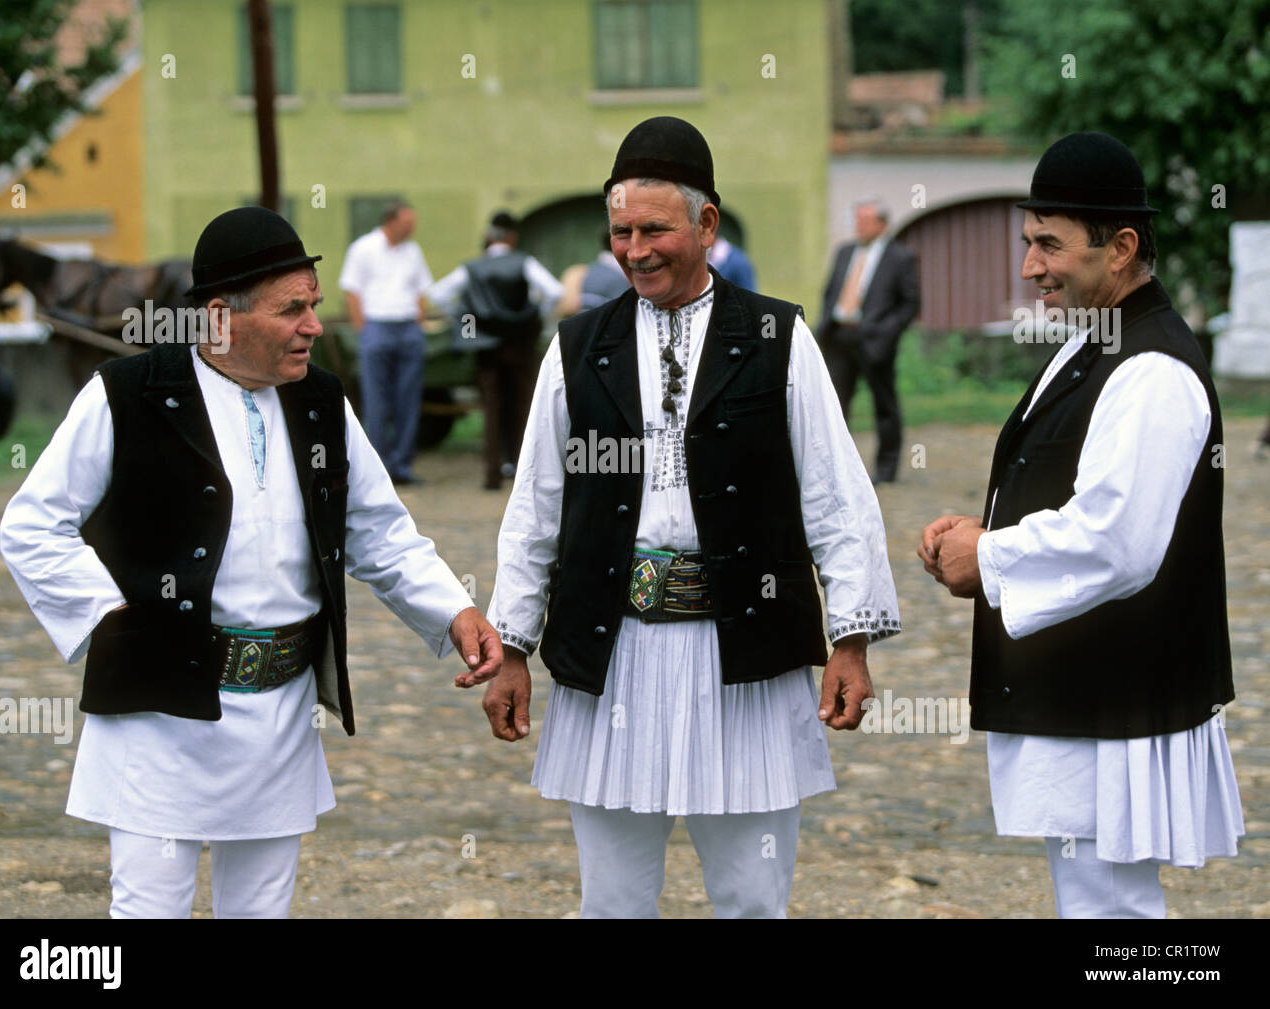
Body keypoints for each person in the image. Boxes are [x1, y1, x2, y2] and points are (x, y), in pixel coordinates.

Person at [0, 206, 502, 918]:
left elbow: (381, 533)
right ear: (219, 317)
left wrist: (454, 609)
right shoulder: (127, 396)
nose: (313, 326)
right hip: (157, 718)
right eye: (291, 309)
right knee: (149, 911)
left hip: (280, 718)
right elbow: (31, 524)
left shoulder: (323, 403)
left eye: (314, 306)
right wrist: (109, 619)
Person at [480, 116, 900, 918]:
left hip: (743, 654)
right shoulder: (577, 348)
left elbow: (835, 493)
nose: (635, 251)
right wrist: (512, 646)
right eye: (621, 232)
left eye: (655, 230)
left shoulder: (777, 337)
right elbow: (535, 508)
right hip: (613, 654)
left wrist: (851, 637)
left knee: (749, 898)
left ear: (707, 224)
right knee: (613, 903)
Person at [918, 132, 1243, 918]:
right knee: (1093, 904)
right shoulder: (1093, 343)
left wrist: (989, 556)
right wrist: (986, 525)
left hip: (1115, 692)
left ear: (1121, 245)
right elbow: (1080, 489)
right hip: (1085, 685)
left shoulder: (1153, 366)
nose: (1030, 266)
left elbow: (1118, 540)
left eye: (1048, 244)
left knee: (1110, 913)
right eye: (1028, 242)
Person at [427, 211, 563, 490]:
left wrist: (463, 315)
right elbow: (554, 292)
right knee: (524, 406)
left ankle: (492, 473)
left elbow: (437, 294)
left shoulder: (471, 268)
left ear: (489, 238)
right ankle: (521, 469)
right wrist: (535, 317)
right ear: (512, 237)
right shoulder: (525, 263)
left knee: (491, 409)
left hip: (486, 348)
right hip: (520, 346)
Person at [817, 198, 919, 484]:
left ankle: (886, 471)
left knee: (884, 405)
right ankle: (836, 469)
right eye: (857, 219)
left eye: (865, 220)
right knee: (834, 405)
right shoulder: (844, 251)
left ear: (882, 224)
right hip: (838, 337)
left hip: (874, 341)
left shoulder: (900, 257)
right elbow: (830, 291)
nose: (858, 225)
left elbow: (910, 304)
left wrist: (886, 333)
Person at [339, 198, 432, 485]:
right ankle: (377, 469)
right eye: (407, 223)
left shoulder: (412, 251)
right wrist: (363, 329)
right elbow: (352, 291)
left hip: (407, 328)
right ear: (391, 221)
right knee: (376, 400)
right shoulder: (363, 248)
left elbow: (421, 288)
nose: (412, 228)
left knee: (408, 398)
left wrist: (419, 319)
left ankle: (402, 465)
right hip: (376, 326)